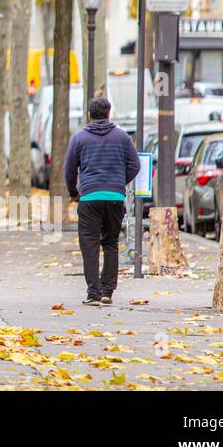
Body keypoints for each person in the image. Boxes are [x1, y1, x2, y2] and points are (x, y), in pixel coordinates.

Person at [63, 97, 140, 306]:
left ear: (90, 115)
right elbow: (135, 165)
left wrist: (74, 192)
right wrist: (118, 183)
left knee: (89, 246)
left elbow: (69, 170)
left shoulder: (79, 139)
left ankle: (93, 294)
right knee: (111, 243)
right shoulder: (123, 138)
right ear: (108, 114)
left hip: (89, 198)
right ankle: (108, 292)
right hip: (115, 198)